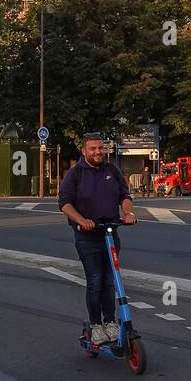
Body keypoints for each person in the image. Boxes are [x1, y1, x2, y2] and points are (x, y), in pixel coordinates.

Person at [58, 131, 137, 346]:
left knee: (111, 281)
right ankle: (95, 324)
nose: (98, 152)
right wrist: (82, 220)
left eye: (100, 148)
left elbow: (124, 196)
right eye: (93, 148)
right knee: (95, 280)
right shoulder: (76, 174)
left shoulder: (112, 170)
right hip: (87, 236)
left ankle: (110, 321)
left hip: (110, 232)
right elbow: (65, 203)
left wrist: (128, 213)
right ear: (84, 151)